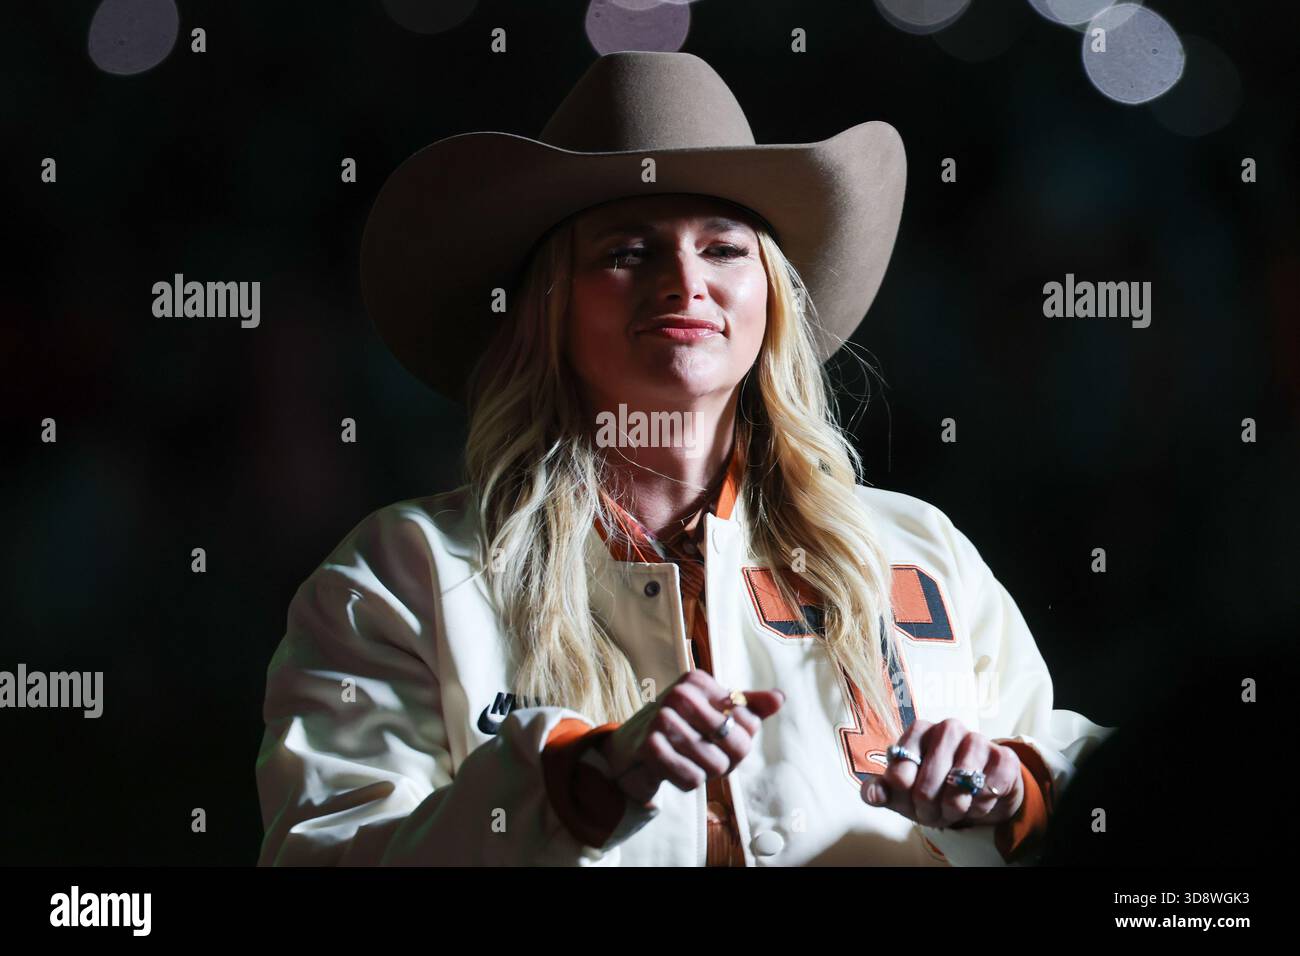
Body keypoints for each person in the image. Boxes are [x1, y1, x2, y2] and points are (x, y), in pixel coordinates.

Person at [255, 51, 1114, 867]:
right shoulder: (402, 579)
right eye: (628, 252)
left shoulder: (920, 550)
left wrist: (1016, 793)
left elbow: (1112, 794)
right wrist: (572, 788)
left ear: (771, 295)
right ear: (546, 309)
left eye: (724, 247)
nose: (684, 281)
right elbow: (330, 852)